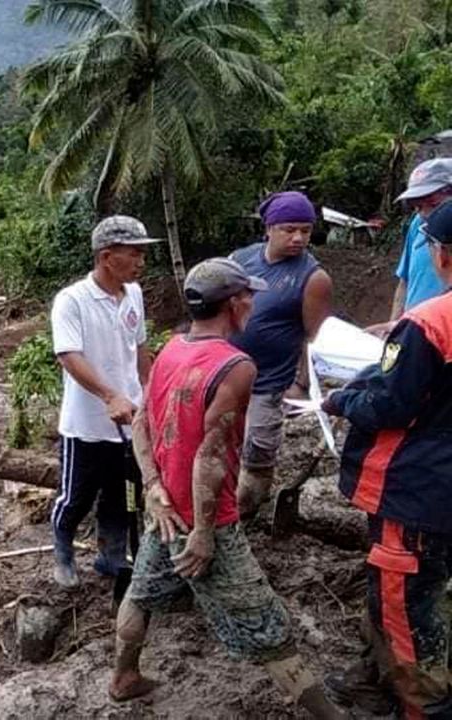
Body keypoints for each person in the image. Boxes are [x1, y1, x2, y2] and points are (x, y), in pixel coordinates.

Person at [112, 258, 341, 718]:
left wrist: (153, 486)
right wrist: (204, 532)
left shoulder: (170, 349)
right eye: (249, 296)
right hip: (207, 519)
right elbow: (210, 457)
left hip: (165, 509)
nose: (253, 303)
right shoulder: (236, 366)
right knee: (266, 623)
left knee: (141, 594)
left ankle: (124, 677)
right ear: (234, 304)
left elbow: (141, 423)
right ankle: (330, 716)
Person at [318, 200, 452, 719]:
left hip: (417, 491)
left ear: (441, 255)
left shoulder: (430, 322)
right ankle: (376, 680)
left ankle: (421, 707)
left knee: (407, 610)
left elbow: (392, 405)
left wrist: (343, 399)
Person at [50, 215, 156, 588]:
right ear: (107, 257)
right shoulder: (72, 300)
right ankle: (63, 551)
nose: (141, 261)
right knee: (75, 496)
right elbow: (69, 355)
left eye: (142, 253)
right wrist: (110, 395)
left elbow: (139, 347)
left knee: (121, 492)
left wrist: (150, 390)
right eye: (134, 253)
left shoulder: (134, 294)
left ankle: (111, 556)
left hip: (130, 418)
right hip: (87, 422)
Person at [229, 191, 333, 516]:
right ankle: (220, 509)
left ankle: (247, 513)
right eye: (289, 229)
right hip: (228, 376)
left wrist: (300, 384)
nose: (298, 238)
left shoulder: (313, 278)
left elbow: (315, 338)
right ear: (269, 228)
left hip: (270, 382)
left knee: (257, 453)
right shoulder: (240, 260)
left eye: (305, 230)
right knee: (220, 445)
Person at [389, 159, 452, 322]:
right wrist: (395, 325)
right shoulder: (417, 224)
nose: (424, 213)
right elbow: (405, 282)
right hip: (414, 328)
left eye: (434, 204)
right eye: (417, 207)